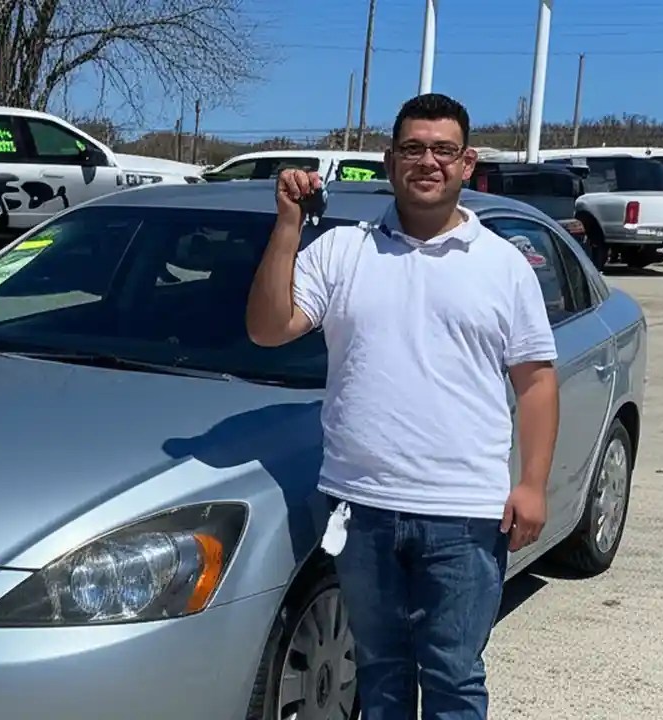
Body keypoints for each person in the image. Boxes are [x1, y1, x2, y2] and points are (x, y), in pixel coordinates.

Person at [244, 93, 560, 720]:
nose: (428, 162)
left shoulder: (502, 265)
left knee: (453, 678)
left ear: (467, 163)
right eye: (413, 148)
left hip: (464, 514)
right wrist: (287, 225)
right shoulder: (342, 252)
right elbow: (268, 328)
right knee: (381, 675)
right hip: (363, 508)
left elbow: (536, 381)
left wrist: (532, 483)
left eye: (443, 150)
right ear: (390, 160)